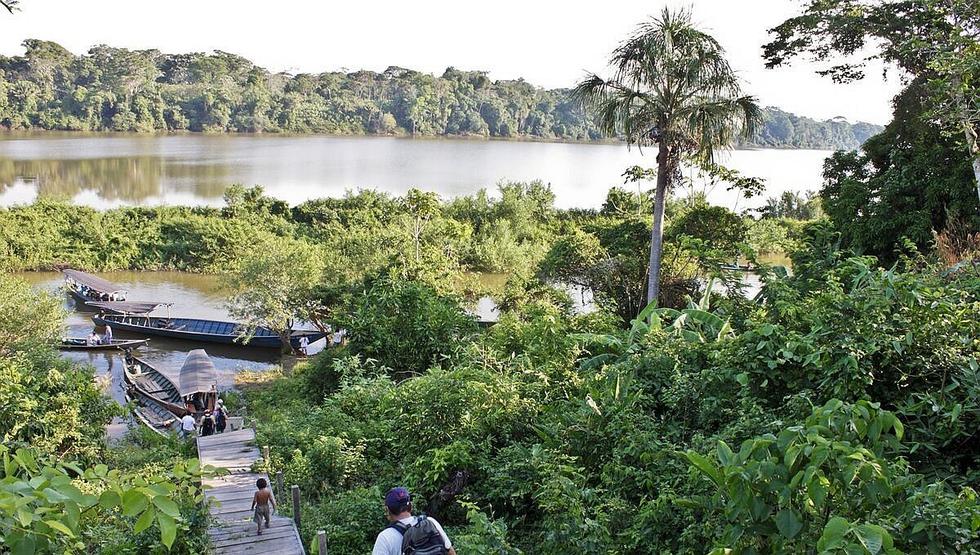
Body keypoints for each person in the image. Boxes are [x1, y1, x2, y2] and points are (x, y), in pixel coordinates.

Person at [372, 487, 455, 555]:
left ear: (387, 510)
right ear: (411, 506)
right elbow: (451, 552)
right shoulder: (430, 522)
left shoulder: (385, 537)